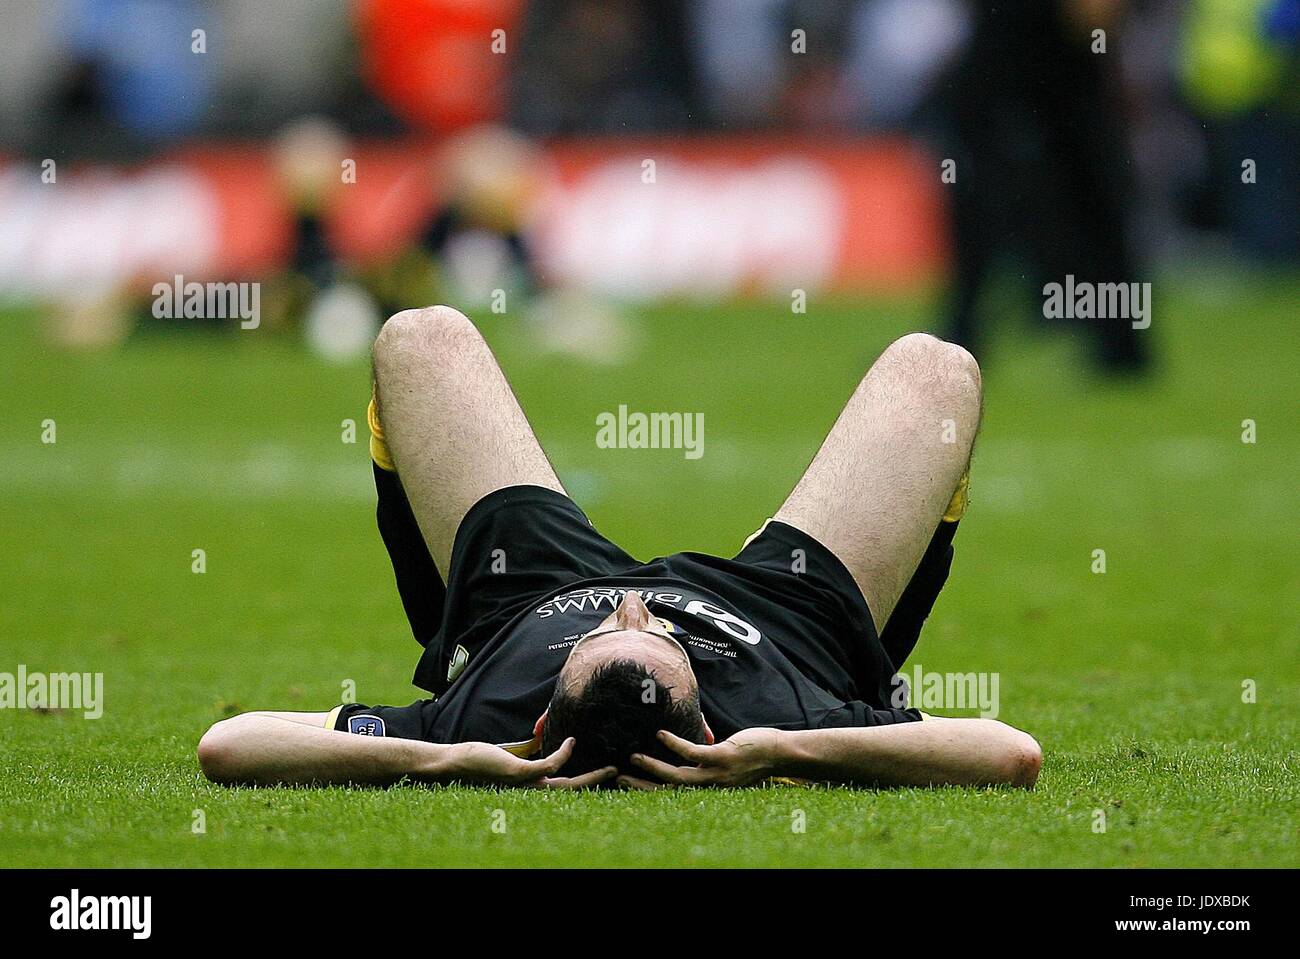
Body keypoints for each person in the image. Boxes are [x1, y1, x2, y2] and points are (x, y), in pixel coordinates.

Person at [197, 306, 1041, 790]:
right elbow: (1010, 754)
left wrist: (441, 755)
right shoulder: (782, 723)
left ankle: (448, 608)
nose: (634, 603)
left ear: (542, 712)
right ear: (708, 721)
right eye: (664, 637)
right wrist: (790, 748)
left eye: (607, 630)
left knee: (419, 336)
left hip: (523, 591)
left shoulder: (487, 728)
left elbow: (228, 746)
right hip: (789, 617)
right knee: (937, 368)